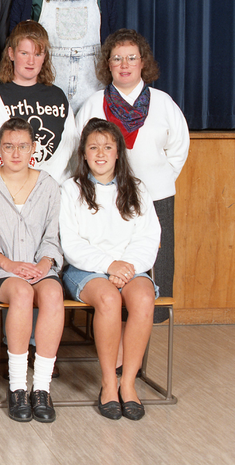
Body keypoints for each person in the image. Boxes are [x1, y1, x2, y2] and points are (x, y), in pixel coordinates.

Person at [76, 29, 189, 322]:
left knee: (153, 268)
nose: (124, 65)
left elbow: (178, 149)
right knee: (112, 271)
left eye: (131, 58)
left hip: (155, 196)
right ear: (108, 65)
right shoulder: (94, 104)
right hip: (107, 199)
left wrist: (157, 178)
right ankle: (111, 330)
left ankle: (145, 336)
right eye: (117, 58)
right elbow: (80, 148)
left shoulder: (163, 103)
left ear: (143, 63)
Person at [60, 118, 160, 421]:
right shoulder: (71, 189)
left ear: (118, 152)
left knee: (143, 298)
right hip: (87, 269)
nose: (100, 153)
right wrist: (108, 265)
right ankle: (108, 383)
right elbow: (71, 243)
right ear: (84, 154)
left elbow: (148, 237)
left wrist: (128, 267)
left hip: (130, 268)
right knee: (109, 299)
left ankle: (128, 384)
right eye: (93, 147)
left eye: (107, 146)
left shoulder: (136, 189)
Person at [0, 117, 63, 423]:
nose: (15, 153)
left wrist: (43, 265)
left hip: (39, 267)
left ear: (33, 148)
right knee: (22, 293)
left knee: (51, 293)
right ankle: (18, 386)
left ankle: (42, 387)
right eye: (9, 146)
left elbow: (53, 237)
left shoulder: (48, 185)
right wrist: (8, 264)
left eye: (23, 146)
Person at [0, 21, 78, 181]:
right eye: (24, 53)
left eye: (37, 54)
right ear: (11, 53)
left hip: (53, 189)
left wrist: (50, 185)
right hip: (7, 190)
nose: (31, 61)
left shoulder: (58, 96)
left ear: (45, 57)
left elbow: (71, 148)